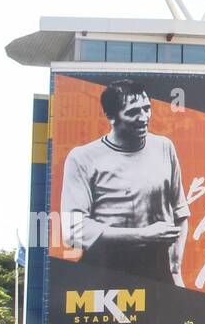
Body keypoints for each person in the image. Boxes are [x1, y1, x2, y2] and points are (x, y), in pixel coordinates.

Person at [61, 80, 189, 286]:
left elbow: (180, 213)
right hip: (105, 269)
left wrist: (175, 269)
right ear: (111, 116)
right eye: (132, 112)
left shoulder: (164, 147)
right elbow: (73, 231)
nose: (143, 118)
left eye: (147, 109)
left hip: (156, 268)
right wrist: (143, 235)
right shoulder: (82, 158)